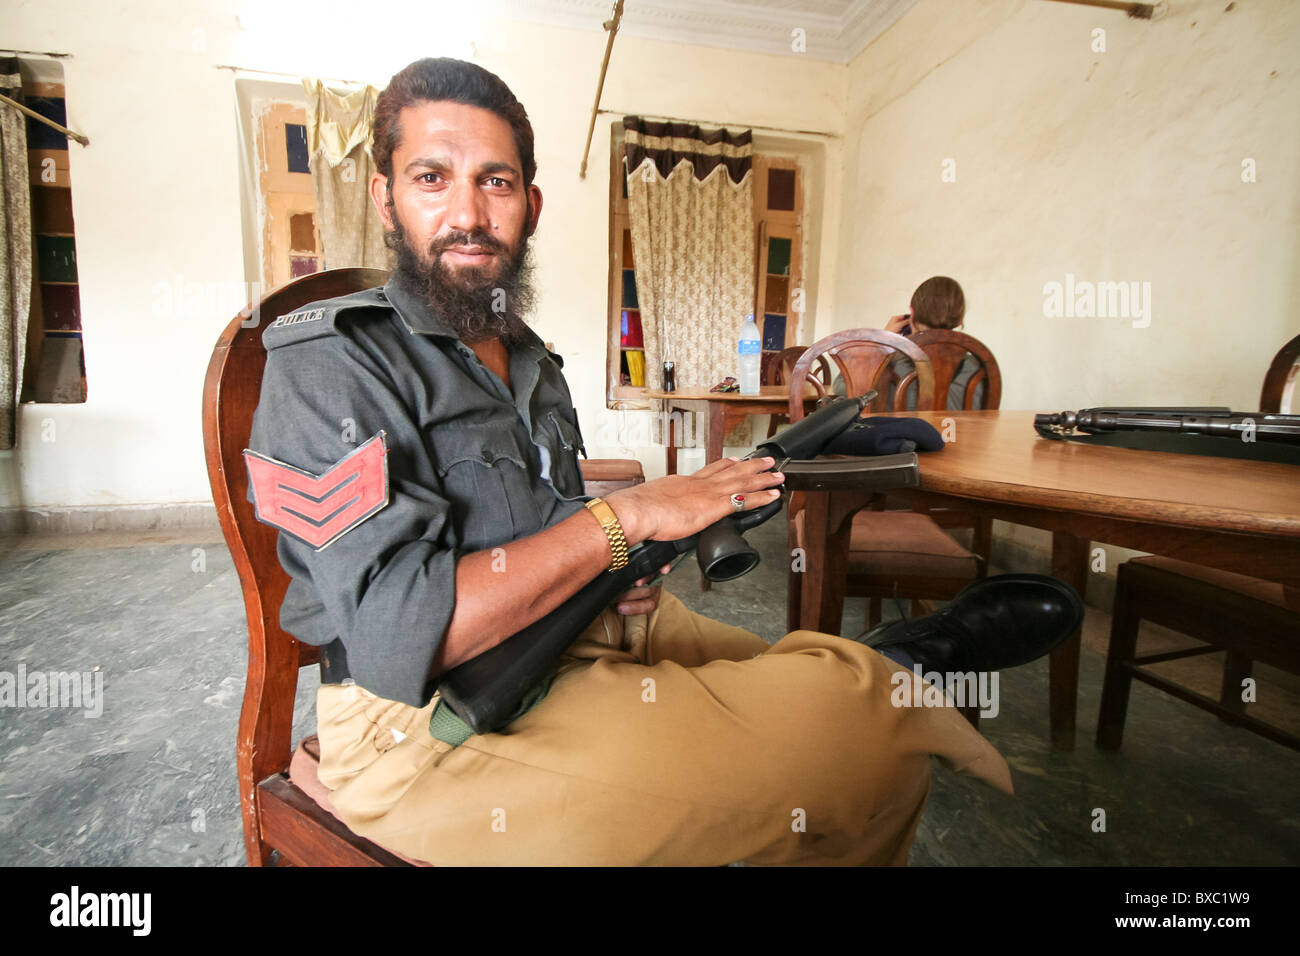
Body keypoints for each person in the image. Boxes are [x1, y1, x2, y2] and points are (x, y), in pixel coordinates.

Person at [246, 58, 1079, 866]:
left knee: (868, 741)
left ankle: (886, 669)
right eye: (432, 178)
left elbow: (543, 526)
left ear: (529, 205)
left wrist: (618, 559)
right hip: (422, 724)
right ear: (385, 200)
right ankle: (899, 661)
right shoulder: (329, 364)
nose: (467, 211)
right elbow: (402, 636)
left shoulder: (531, 360)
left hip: (578, 625)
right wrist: (629, 518)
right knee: (862, 737)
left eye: (494, 182)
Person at [885, 276, 986, 410]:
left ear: (912, 313)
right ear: (960, 319)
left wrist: (883, 342)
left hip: (902, 431)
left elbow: (850, 399)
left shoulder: (887, 362)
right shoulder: (979, 368)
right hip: (955, 431)